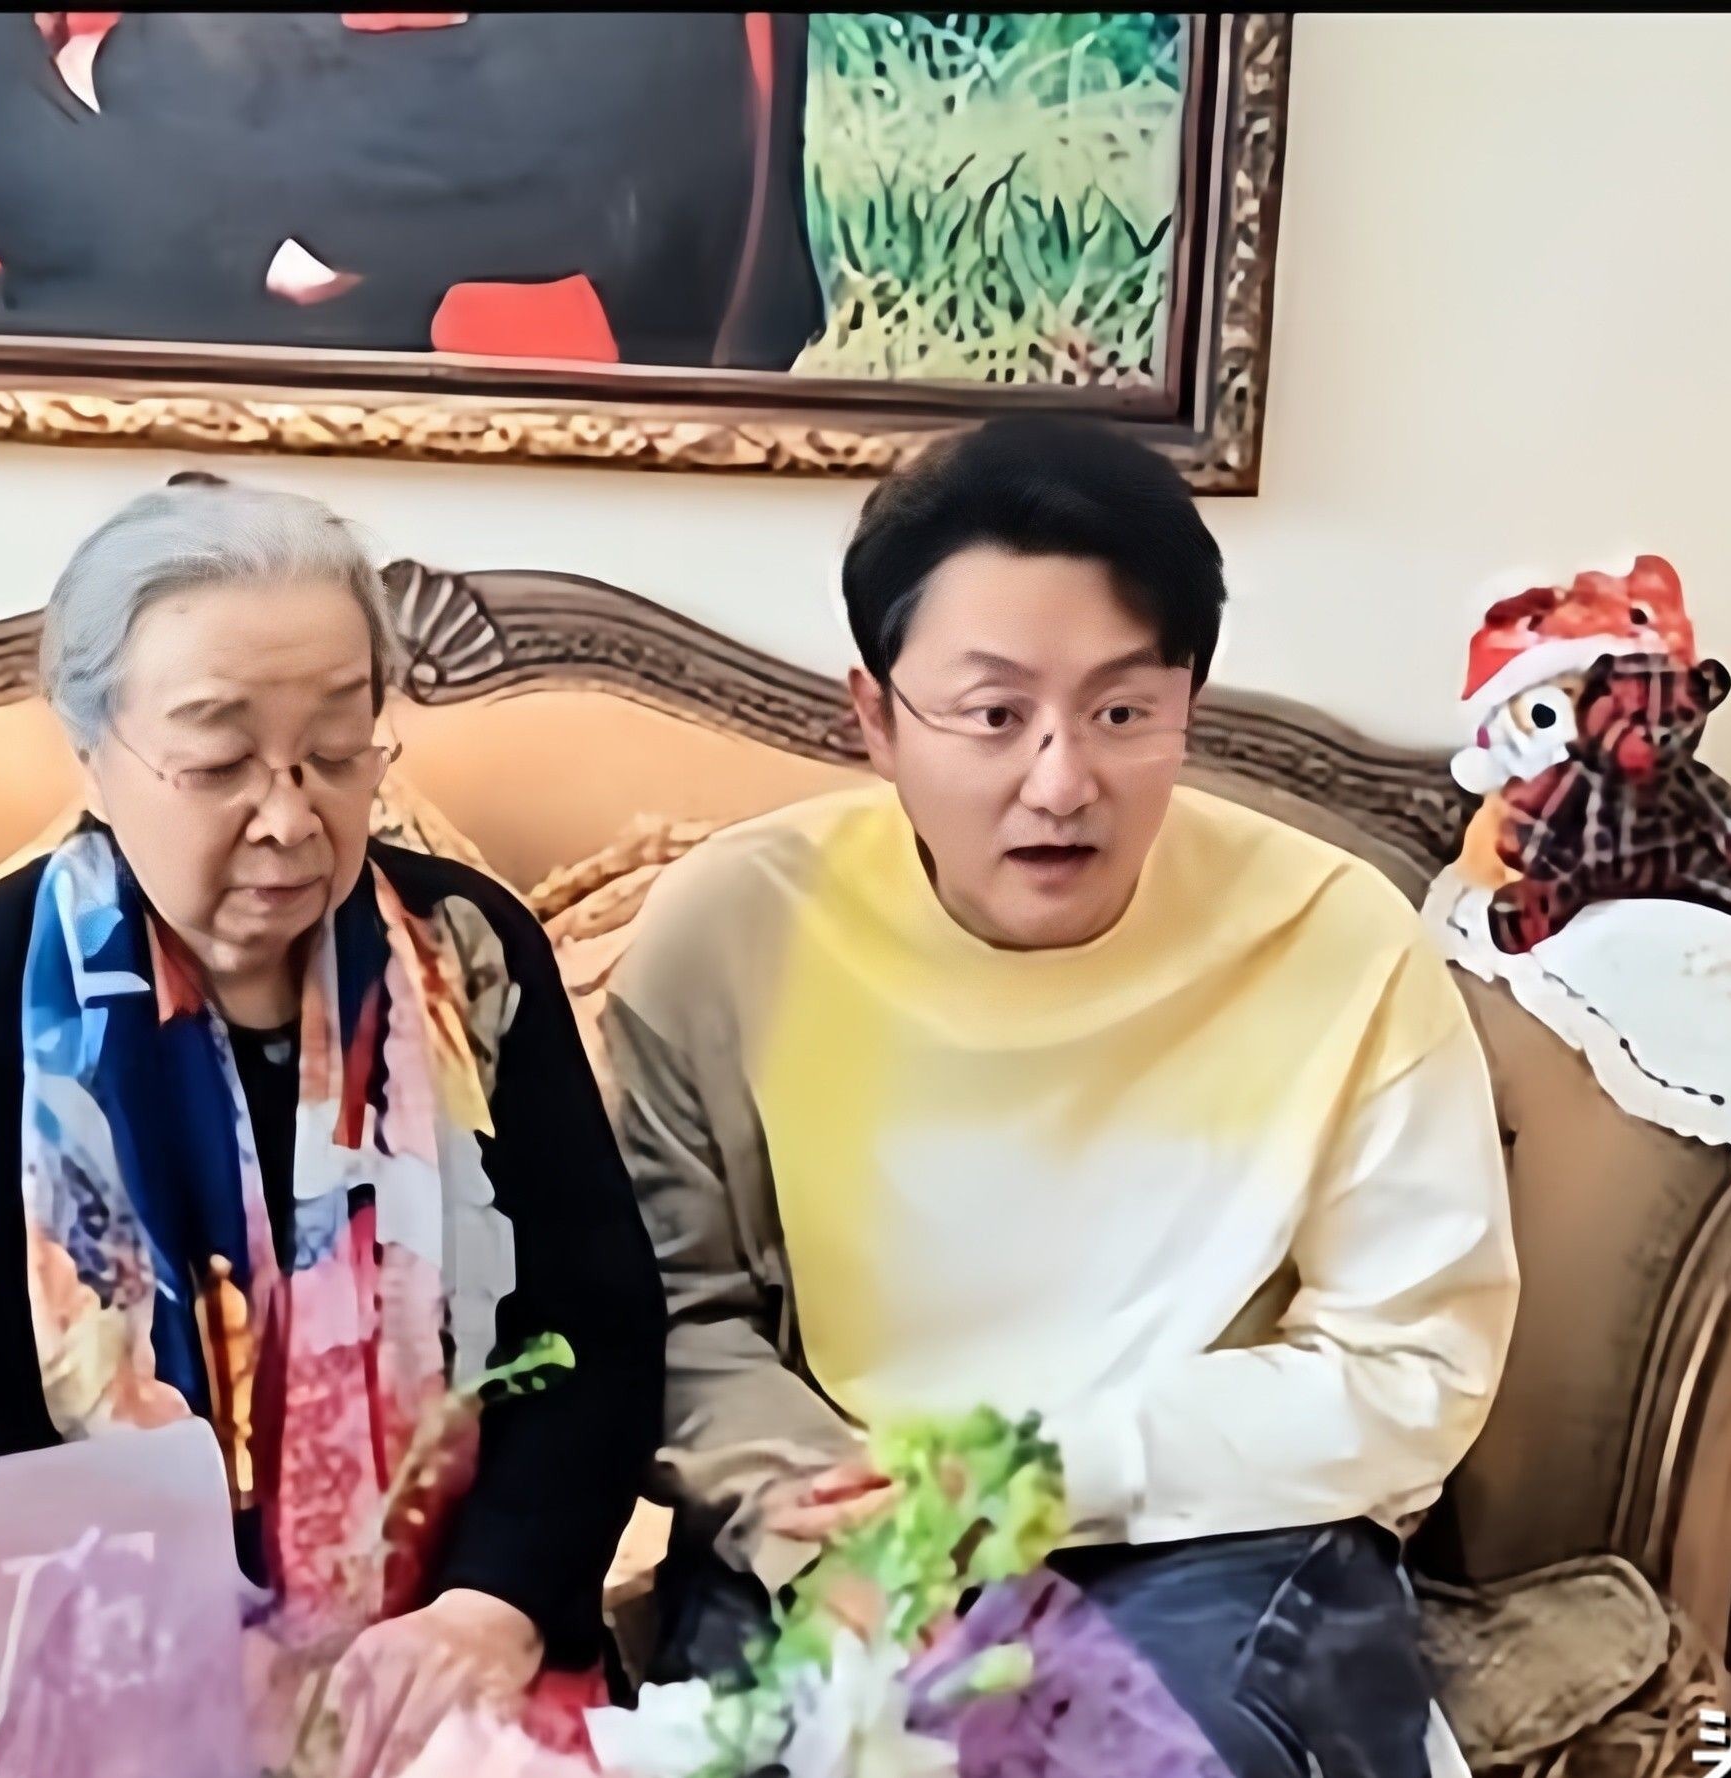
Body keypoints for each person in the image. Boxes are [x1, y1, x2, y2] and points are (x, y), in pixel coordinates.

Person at [607, 418, 1519, 1778]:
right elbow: (675, 1315)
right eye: (994, 715)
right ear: (876, 718)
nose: (1061, 781)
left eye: (1121, 712)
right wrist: (826, 1513)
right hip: (842, 1508)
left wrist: (1043, 1472)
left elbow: (1411, 1360)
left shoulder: (1334, 936)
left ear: (1188, 701)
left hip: (1211, 1527)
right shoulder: (735, 932)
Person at [0, 474, 664, 1777]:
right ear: (93, 751)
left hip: (448, 1653)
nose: (289, 818)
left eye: (337, 753)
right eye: (220, 762)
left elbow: (592, 1338)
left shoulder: (472, 958)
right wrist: (178, 1666)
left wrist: (491, 1606)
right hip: (91, 1662)